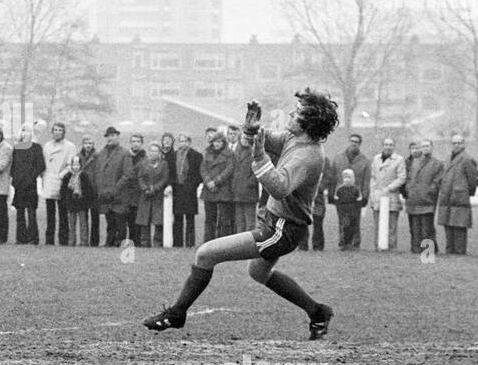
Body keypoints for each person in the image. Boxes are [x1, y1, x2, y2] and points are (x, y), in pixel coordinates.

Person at [144, 91, 339, 340]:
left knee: (206, 253)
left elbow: (279, 188)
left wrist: (259, 157)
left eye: (298, 112)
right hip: (277, 222)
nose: (292, 113)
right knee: (258, 273)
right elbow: (260, 139)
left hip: (282, 230)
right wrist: (251, 128)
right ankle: (318, 311)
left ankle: (176, 314)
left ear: (309, 122)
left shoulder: (308, 155)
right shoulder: (295, 138)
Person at [436, 133, 478, 255]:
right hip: (447, 197)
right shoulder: (448, 158)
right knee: (448, 225)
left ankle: (459, 251)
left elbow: (472, 180)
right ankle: (449, 250)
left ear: (463, 144)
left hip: (460, 197)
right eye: (454, 143)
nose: (456, 145)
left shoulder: (467, 159)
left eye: (459, 143)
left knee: (459, 226)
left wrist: (465, 192)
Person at [330, 133, 370, 248]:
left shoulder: (365, 161)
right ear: (348, 142)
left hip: (355, 198)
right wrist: (332, 194)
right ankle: (343, 242)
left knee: (355, 222)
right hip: (341, 197)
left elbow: (366, 181)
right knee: (342, 221)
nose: (353, 143)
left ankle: (354, 243)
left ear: (359, 144)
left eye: (356, 142)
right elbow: (333, 177)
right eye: (352, 141)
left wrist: (365, 196)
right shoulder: (338, 158)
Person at [92, 126, 130, 247]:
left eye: (113, 135)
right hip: (105, 195)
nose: (110, 138)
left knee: (120, 221)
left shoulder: (125, 153)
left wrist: (115, 189)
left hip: (119, 195)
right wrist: (100, 190)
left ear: (118, 137)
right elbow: (97, 172)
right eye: (108, 136)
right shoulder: (101, 153)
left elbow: (128, 174)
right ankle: (109, 242)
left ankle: (121, 243)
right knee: (110, 221)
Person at [404, 140, 443, 254]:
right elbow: (409, 178)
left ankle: (428, 251)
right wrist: (409, 189)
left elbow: (438, 180)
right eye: (423, 146)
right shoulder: (414, 162)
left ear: (431, 147)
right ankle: (416, 250)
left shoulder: (437, 163)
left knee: (427, 228)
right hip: (414, 199)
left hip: (428, 200)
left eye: (427, 146)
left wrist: (430, 190)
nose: (425, 148)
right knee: (415, 228)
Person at [368, 137, 406, 249]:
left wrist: (389, 188)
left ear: (394, 146)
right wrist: (373, 192)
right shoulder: (376, 159)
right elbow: (373, 177)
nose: (388, 147)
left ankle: (391, 247)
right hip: (377, 196)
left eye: (390, 145)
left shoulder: (399, 159)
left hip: (392, 196)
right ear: (382, 145)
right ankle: (378, 246)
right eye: (386, 144)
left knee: (391, 225)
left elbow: (402, 177)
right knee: (378, 224)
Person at [10, 123, 45, 245]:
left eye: (27, 131)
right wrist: (15, 180)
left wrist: (31, 177)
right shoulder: (17, 147)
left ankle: (33, 238)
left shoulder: (36, 148)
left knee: (31, 212)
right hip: (19, 185)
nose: (25, 133)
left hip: (30, 185)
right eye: (23, 131)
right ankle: (20, 238)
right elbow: (13, 166)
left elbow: (40, 165)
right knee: (19, 213)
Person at [41, 122, 76, 246]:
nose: (57, 132)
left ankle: (63, 239)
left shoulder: (70, 146)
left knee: (63, 213)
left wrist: (63, 174)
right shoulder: (47, 146)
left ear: (63, 132)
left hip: (62, 181)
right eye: (55, 130)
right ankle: (49, 240)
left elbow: (71, 164)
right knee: (50, 213)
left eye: (60, 130)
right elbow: (44, 163)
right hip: (49, 180)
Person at [200, 130, 234, 242]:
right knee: (209, 219)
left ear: (223, 142)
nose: (217, 144)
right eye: (215, 141)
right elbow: (203, 169)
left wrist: (216, 182)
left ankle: (222, 243)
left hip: (223, 190)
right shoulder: (207, 153)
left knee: (224, 220)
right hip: (208, 190)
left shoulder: (229, 154)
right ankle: (208, 242)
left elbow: (229, 170)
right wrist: (208, 181)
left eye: (219, 141)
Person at [134, 142, 170, 247]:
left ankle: (158, 242)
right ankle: (145, 242)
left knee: (158, 220)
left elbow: (165, 178)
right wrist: (145, 188)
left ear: (159, 153)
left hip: (158, 196)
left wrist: (155, 188)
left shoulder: (164, 164)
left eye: (156, 151)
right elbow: (140, 177)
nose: (153, 153)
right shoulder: (143, 163)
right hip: (145, 196)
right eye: (151, 151)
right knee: (144, 220)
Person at [170, 134, 202, 249]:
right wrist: (174, 184)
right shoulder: (173, 155)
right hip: (177, 191)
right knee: (177, 218)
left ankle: (190, 243)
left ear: (189, 142)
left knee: (190, 218)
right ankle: (177, 243)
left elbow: (199, 174)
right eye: (181, 141)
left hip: (189, 191)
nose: (183, 143)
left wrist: (192, 185)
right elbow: (171, 172)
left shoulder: (196, 155)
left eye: (185, 141)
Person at [228, 127, 260, 234]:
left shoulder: (255, 154)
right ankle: (239, 243)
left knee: (250, 221)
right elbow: (232, 170)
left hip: (249, 193)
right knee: (239, 221)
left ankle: (249, 242)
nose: (244, 141)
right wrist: (234, 185)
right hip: (237, 192)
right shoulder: (236, 153)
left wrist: (249, 183)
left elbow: (257, 172)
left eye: (247, 139)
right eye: (242, 138)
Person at [60, 154, 95, 246]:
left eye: (78, 165)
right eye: (74, 165)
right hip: (71, 204)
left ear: (81, 166)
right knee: (72, 224)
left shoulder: (84, 176)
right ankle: (71, 241)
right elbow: (63, 190)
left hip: (82, 204)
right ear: (71, 166)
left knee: (83, 224)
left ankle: (84, 241)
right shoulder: (67, 176)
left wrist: (87, 201)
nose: (76, 167)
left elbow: (88, 190)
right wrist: (64, 201)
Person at [78, 135, 101, 246]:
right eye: (86, 143)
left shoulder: (98, 157)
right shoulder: (78, 156)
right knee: (83, 217)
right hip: (82, 190)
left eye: (91, 143)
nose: (88, 145)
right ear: (83, 144)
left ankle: (94, 241)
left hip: (94, 190)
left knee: (95, 217)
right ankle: (84, 240)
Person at [334, 168, 363, 250]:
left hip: (353, 212)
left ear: (353, 178)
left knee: (352, 228)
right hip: (343, 213)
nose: (347, 179)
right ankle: (343, 244)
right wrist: (340, 212)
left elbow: (359, 202)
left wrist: (356, 212)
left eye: (349, 177)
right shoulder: (340, 189)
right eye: (345, 177)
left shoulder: (356, 190)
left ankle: (352, 243)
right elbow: (337, 202)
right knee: (344, 227)